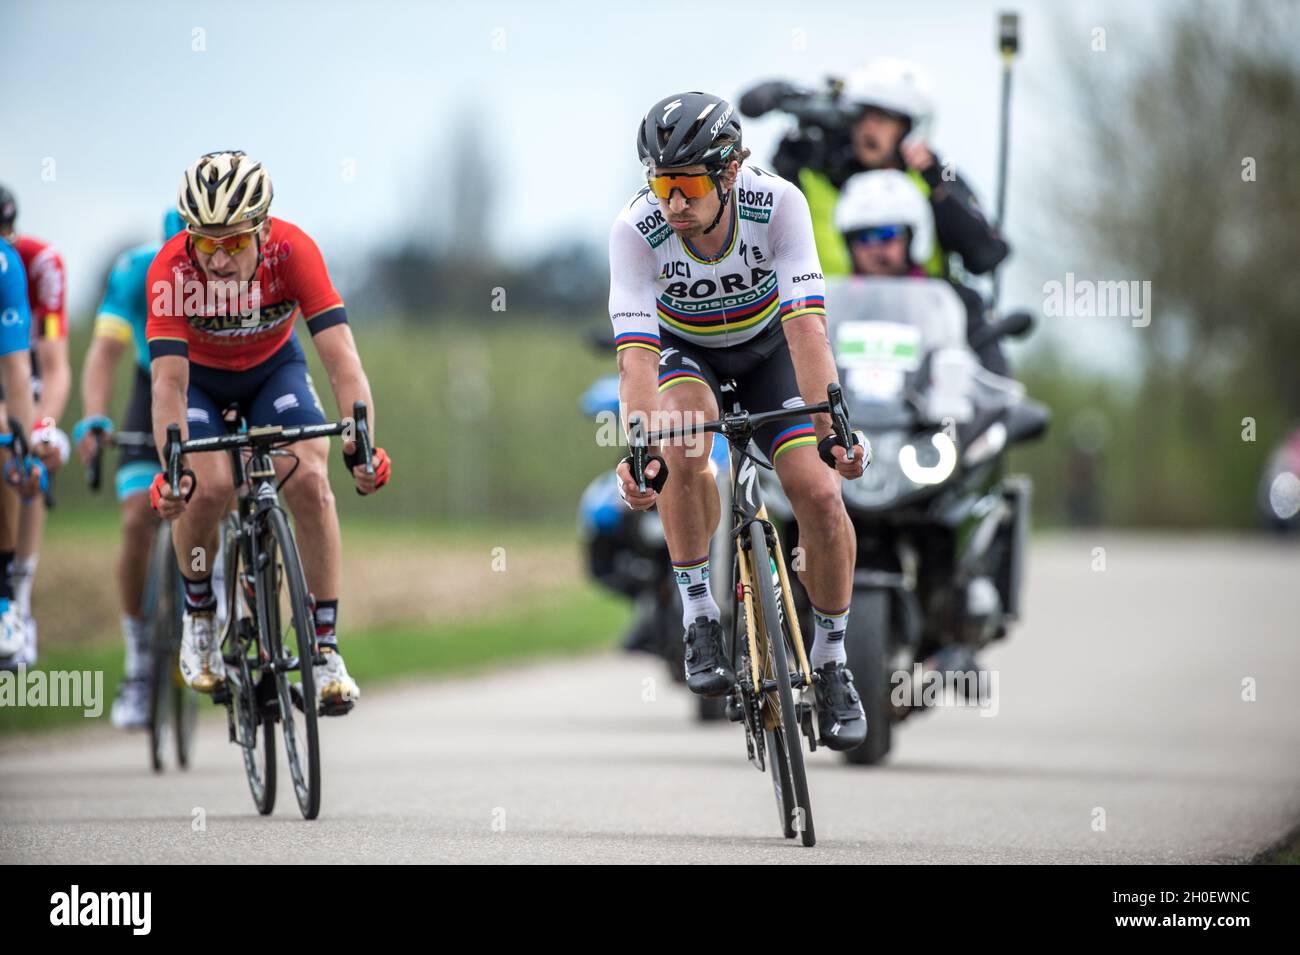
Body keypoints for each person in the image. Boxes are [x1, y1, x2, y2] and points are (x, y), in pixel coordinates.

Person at [608, 91, 869, 750]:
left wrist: (833, 428)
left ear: (729, 171)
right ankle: (699, 613)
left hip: (771, 354)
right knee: (684, 441)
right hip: (684, 354)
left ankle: (833, 659)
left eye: (688, 184)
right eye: (661, 184)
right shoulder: (635, 232)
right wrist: (641, 448)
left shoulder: (778, 205)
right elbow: (635, 359)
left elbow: (807, 327)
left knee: (818, 493)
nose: (673, 203)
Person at [146, 151, 391, 714]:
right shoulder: (170, 272)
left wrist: (361, 443)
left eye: (234, 242)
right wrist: (173, 469)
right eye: (207, 242)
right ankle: (202, 617)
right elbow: (168, 385)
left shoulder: (293, 250)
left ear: (261, 230)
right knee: (204, 489)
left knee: (311, 481)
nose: (220, 259)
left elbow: (341, 360)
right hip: (200, 384)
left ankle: (324, 650)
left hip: (273, 371)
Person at [73, 209, 187, 727]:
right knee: (136, 518)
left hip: (211, 380)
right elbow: (104, 353)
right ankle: (140, 657)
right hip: (153, 385)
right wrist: (95, 417)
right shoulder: (134, 271)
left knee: (225, 488)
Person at [770, 59, 1009, 282]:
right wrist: (785, 173)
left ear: (908, 128)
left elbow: (985, 257)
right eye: (861, 118)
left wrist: (941, 190)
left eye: (883, 120)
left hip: (923, 318)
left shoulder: (932, 177)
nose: (869, 129)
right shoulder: (814, 177)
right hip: (832, 319)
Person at [834, 169, 1008, 374]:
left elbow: (993, 378)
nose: (876, 248)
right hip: (845, 406)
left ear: (914, 236)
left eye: (888, 234)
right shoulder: (834, 308)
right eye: (862, 237)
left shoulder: (954, 303)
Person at [0, 184, 71, 652]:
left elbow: (53, 366)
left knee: (27, 453)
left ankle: (16, 603)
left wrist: (38, 431)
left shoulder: (36, 266)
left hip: (21, 376)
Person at [0, 231, 46, 668]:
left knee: (3, 432)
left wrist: (25, 450)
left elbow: (18, 369)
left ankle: (6, 596)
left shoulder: (5, 264)